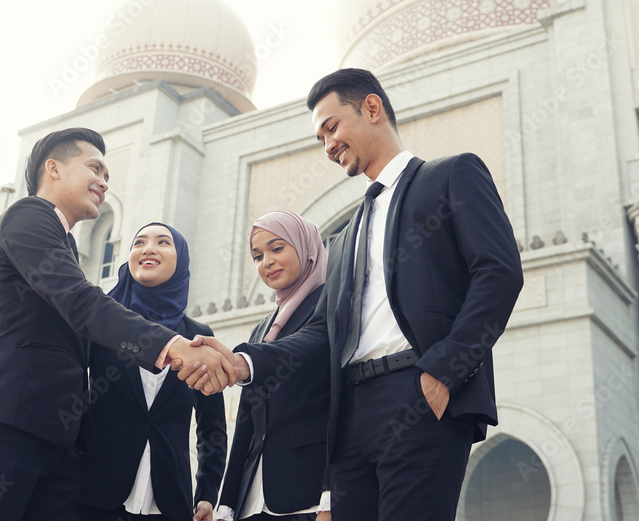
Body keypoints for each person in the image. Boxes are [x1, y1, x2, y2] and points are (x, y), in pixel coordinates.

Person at [184, 68, 524, 521]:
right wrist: (243, 362)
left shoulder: (450, 176)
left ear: (371, 108)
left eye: (331, 127)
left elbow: (498, 273)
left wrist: (445, 370)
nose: (327, 145)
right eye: (319, 137)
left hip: (419, 392)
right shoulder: (342, 239)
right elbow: (324, 335)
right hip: (351, 416)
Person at [0, 127, 237, 521]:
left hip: (55, 443)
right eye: (95, 168)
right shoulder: (27, 216)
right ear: (53, 168)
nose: (103, 182)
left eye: (107, 175)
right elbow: (81, 302)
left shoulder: (63, 244)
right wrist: (172, 347)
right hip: (8, 426)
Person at [73, 223, 226, 521]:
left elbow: (212, 426)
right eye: (139, 242)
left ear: (180, 260)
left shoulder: (198, 338)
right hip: (94, 498)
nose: (148, 248)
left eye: (162, 242)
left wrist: (208, 493)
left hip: (169, 504)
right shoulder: (105, 324)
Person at [215, 211, 331, 521]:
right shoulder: (264, 328)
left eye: (277, 248)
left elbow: (343, 410)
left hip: (307, 496)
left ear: (305, 248)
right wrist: (227, 503)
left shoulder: (331, 304)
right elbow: (246, 421)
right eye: (257, 255)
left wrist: (330, 496)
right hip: (254, 497)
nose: (266, 261)